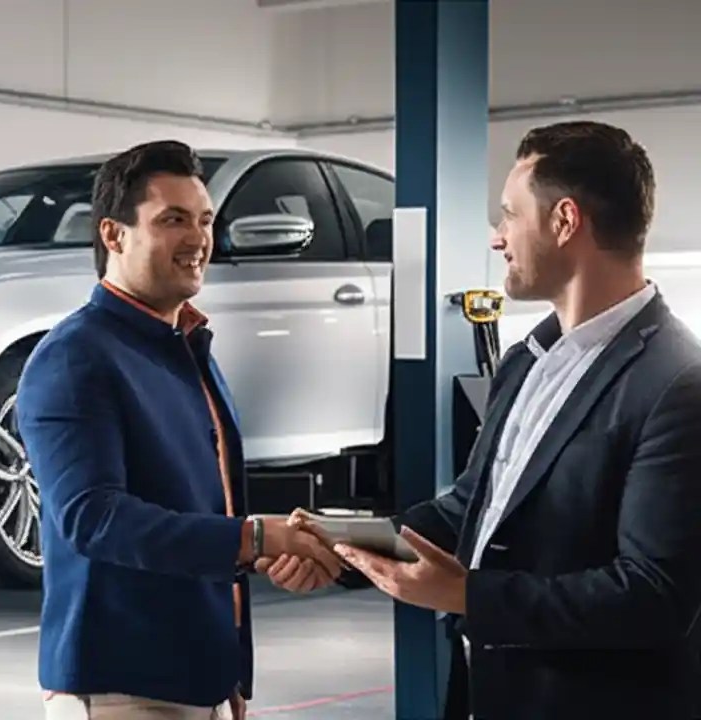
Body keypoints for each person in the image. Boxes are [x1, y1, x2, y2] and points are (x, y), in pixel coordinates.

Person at [271, 120, 701, 719]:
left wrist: (468, 594)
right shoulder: (527, 361)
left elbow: (655, 596)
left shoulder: (678, 382)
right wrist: (339, 548)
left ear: (565, 221)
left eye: (509, 215)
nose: (498, 238)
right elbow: (467, 509)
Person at [15, 139, 343, 720]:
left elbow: (203, 511)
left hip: (200, 681)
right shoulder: (74, 357)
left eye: (205, 220)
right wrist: (257, 539)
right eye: (172, 220)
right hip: (122, 688)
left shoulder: (186, 347)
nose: (198, 239)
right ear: (114, 235)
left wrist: (228, 672)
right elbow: (93, 519)